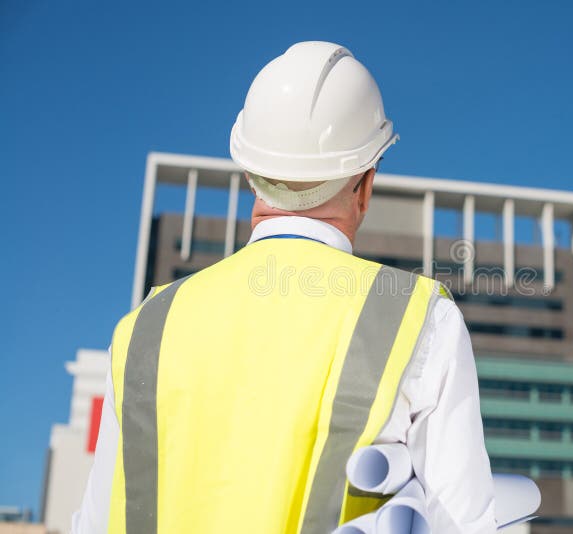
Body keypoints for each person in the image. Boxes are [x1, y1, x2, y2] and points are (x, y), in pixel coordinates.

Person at [73, 41, 495, 534]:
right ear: (366, 182)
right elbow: (467, 523)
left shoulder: (144, 328)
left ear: (251, 175)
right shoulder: (418, 318)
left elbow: (94, 522)